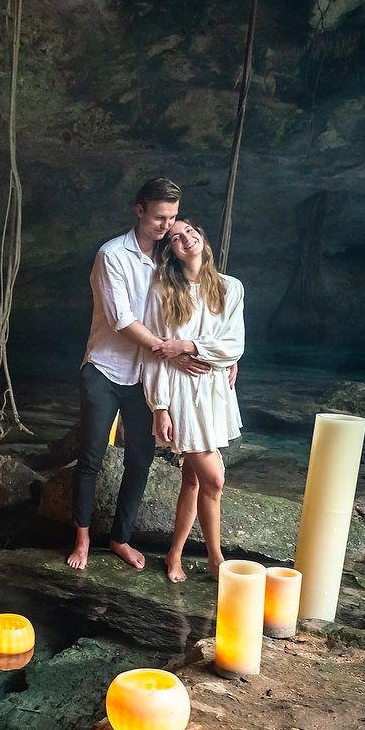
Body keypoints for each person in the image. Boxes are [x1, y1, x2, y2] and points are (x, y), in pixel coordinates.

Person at [67, 176, 196, 571]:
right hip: (105, 369)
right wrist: (171, 350)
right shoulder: (112, 255)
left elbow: (198, 301)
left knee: (140, 461)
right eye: (159, 217)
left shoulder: (169, 255)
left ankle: (120, 538)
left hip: (146, 377)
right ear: (139, 210)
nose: (165, 226)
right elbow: (122, 322)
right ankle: (82, 539)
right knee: (91, 458)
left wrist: (218, 352)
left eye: (172, 218)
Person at [141, 218, 245, 581]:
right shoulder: (163, 291)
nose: (185, 239)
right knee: (214, 479)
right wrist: (160, 406)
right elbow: (153, 352)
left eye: (190, 231)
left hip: (216, 391)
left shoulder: (231, 288)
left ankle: (174, 555)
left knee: (194, 481)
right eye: (175, 237)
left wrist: (188, 345)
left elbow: (234, 344)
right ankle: (216, 560)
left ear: (201, 236)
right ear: (169, 250)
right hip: (182, 391)